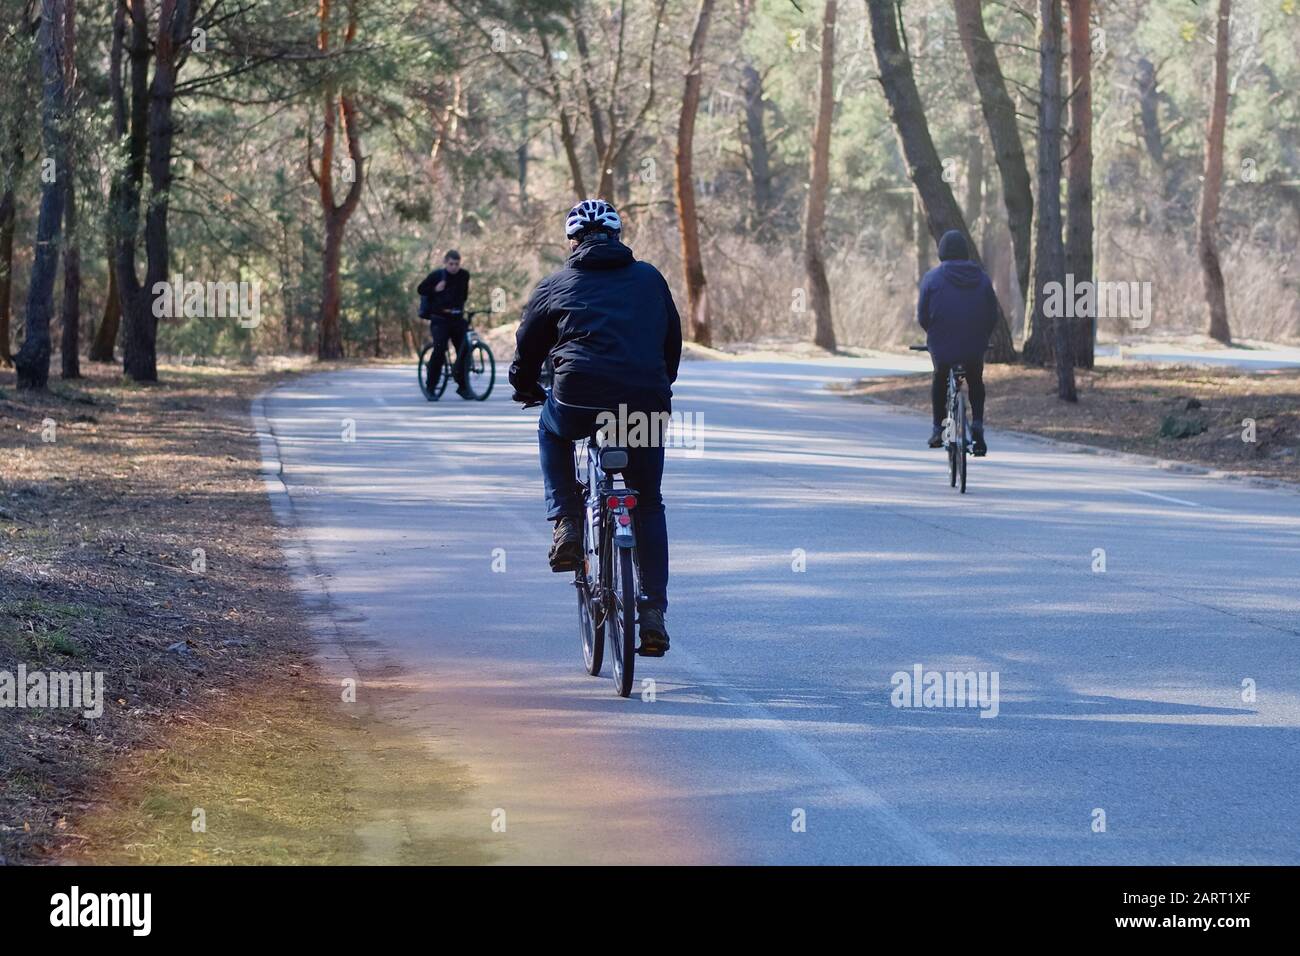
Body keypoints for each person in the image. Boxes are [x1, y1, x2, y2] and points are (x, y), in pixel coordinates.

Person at [509, 200, 682, 656]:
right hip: (643, 404)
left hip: (577, 399)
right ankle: (652, 614)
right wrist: (659, 384)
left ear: (572, 241)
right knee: (648, 503)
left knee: (551, 428)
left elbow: (527, 350)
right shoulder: (649, 277)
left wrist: (526, 389)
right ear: (619, 237)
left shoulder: (555, 284)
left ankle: (567, 520)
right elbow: (671, 341)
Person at [916, 230, 998, 456]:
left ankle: (937, 428)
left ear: (941, 252)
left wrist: (933, 336)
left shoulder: (931, 278)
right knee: (975, 379)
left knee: (940, 378)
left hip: (942, 345)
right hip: (974, 344)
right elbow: (993, 314)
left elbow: (923, 315)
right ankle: (978, 425)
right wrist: (983, 337)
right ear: (965, 251)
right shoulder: (982, 278)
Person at [417, 249, 472, 399]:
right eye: (451, 264)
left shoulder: (464, 275)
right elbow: (421, 289)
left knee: (464, 350)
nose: (454, 267)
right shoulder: (437, 275)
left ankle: (463, 386)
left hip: (457, 318)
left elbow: (464, 296)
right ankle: (431, 387)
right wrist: (435, 289)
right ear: (445, 263)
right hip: (440, 319)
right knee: (440, 349)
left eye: (457, 264)